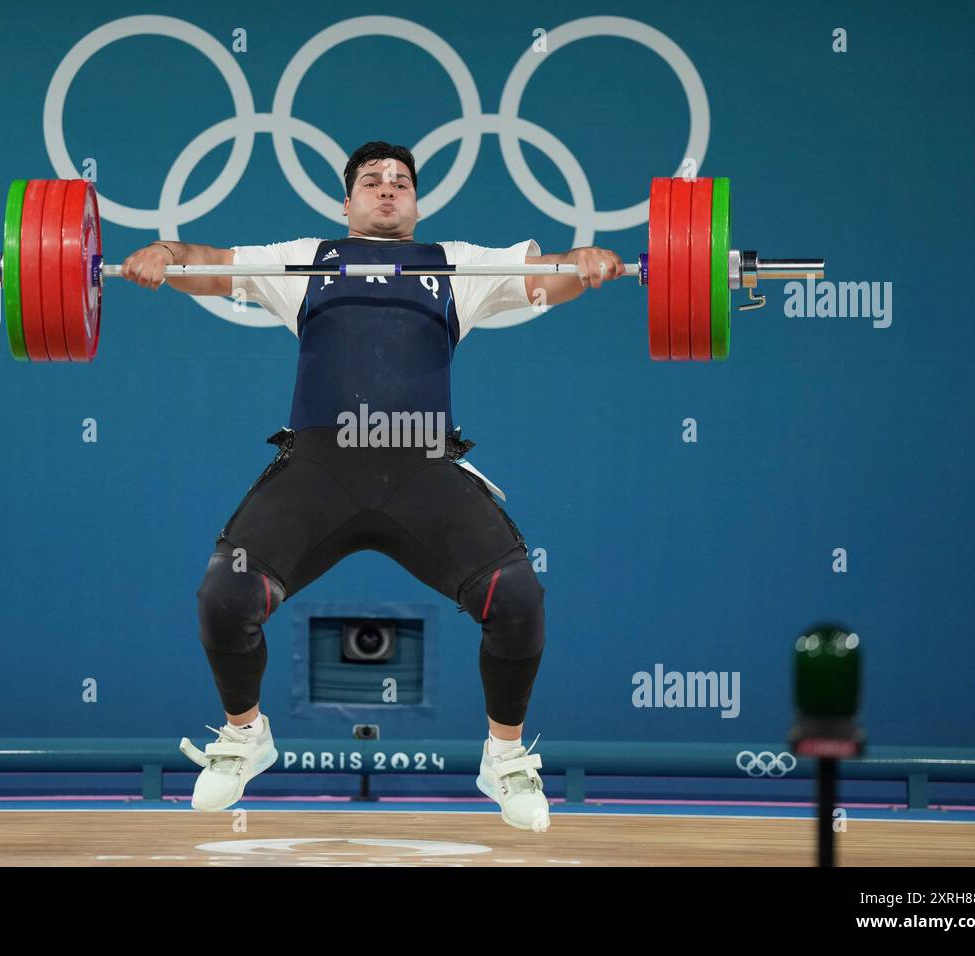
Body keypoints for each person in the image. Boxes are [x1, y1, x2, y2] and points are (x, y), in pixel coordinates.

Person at [119, 141, 623, 830]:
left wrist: (584, 264)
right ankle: (245, 734)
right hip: (321, 471)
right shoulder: (307, 260)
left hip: (421, 471)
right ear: (346, 201)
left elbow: (545, 276)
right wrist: (166, 253)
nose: (388, 191)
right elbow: (212, 268)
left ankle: (503, 758)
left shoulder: (456, 266)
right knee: (222, 595)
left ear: (417, 201)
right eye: (372, 182)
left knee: (519, 599)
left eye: (400, 183)